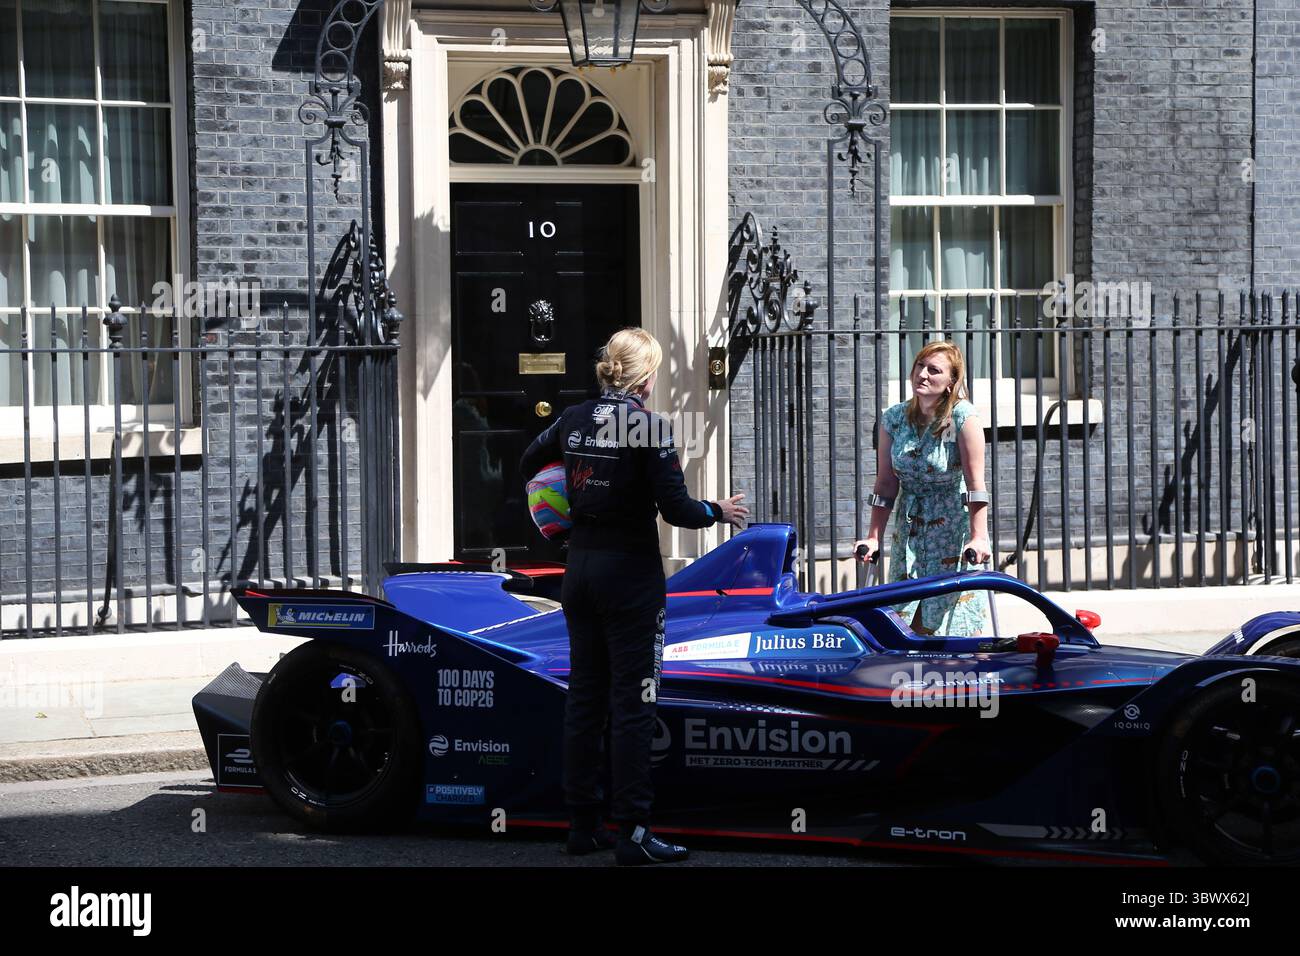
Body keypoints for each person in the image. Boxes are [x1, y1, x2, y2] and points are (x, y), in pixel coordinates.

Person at [518, 327, 748, 865]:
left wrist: (558, 516)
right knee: (633, 703)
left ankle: (581, 826)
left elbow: (529, 462)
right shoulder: (649, 428)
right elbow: (676, 509)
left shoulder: (573, 419)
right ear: (645, 377)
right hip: (631, 578)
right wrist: (719, 510)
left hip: (581, 569)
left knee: (585, 697)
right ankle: (635, 833)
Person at [854, 340, 991, 636]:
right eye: (920, 366)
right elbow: (886, 482)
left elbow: (975, 483)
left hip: (951, 528)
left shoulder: (963, 417)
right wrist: (873, 537)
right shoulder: (894, 418)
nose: (923, 374)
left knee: (947, 618)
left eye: (934, 370)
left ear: (951, 381)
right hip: (910, 526)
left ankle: (959, 674)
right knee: (903, 616)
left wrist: (979, 537)